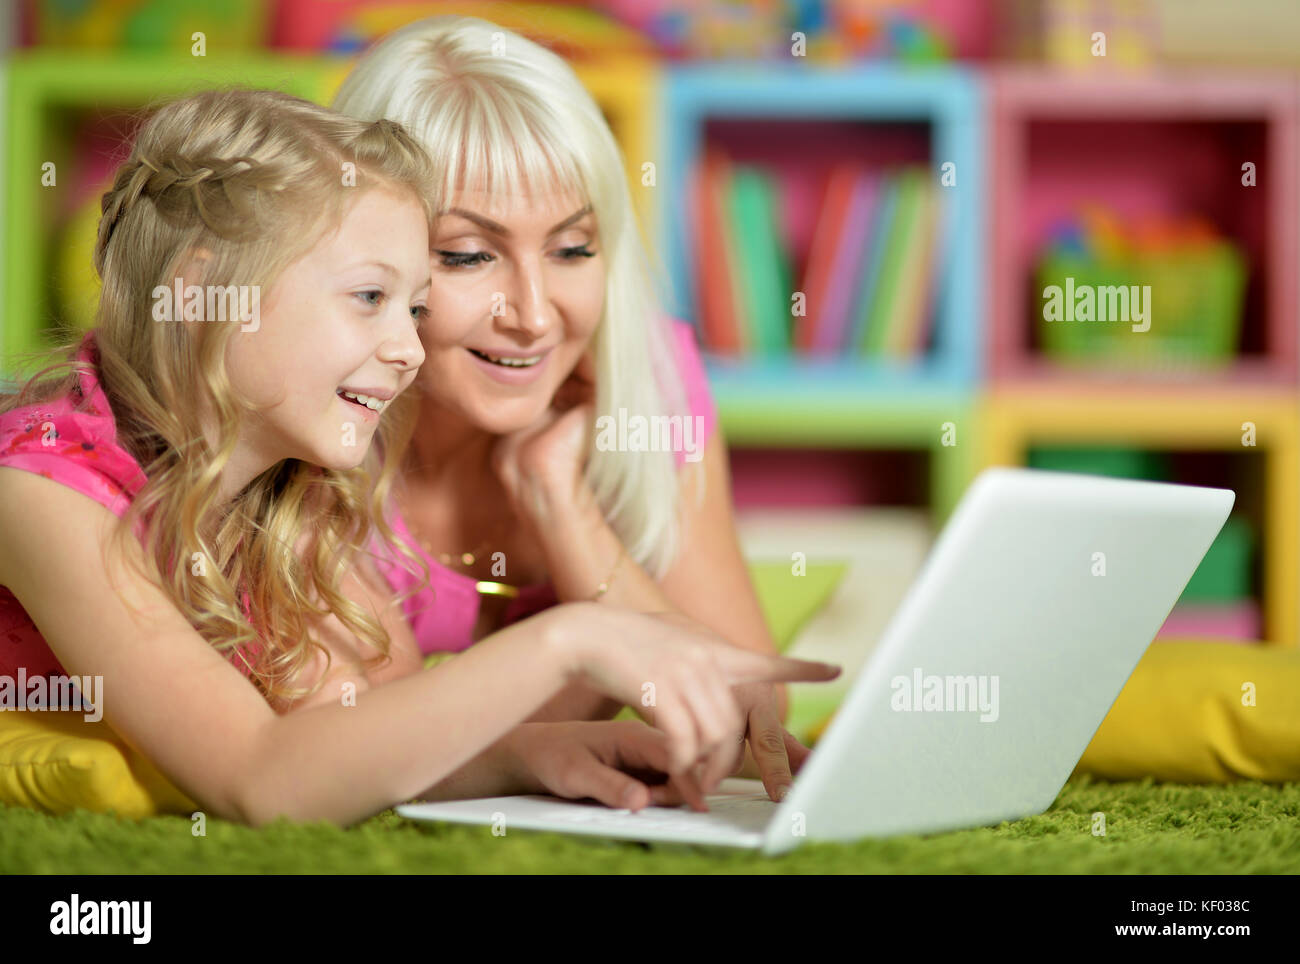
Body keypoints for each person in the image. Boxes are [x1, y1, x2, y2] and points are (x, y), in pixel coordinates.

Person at [0, 87, 837, 827]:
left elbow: (360, 732)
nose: (407, 350)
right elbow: (260, 778)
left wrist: (530, 754)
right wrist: (570, 639)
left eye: (414, 307)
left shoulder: (286, 488)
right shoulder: (41, 491)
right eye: (369, 297)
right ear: (199, 292)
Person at [332, 15, 812, 802]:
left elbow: (753, 713)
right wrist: (589, 664)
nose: (533, 314)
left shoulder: (650, 380)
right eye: (468, 255)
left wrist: (561, 501)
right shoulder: (316, 433)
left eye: (571, 249)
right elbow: (384, 756)